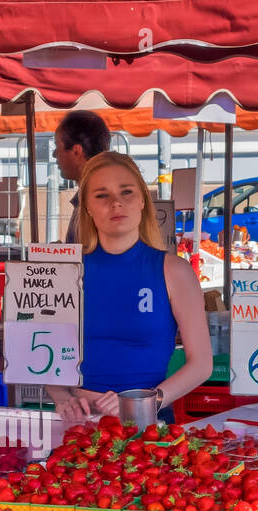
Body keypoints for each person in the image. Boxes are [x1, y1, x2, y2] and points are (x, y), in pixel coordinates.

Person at [45, 152, 212, 424]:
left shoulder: (174, 271)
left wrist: (144, 402)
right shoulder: (64, 271)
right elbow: (42, 352)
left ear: (143, 200)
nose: (116, 203)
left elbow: (202, 364)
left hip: (146, 426)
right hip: (77, 423)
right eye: (102, 195)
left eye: (127, 192)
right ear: (86, 206)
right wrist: (63, 398)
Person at [52, 110, 110, 244]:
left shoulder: (97, 200)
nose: (54, 154)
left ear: (76, 151)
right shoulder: (96, 194)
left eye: (57, 146)